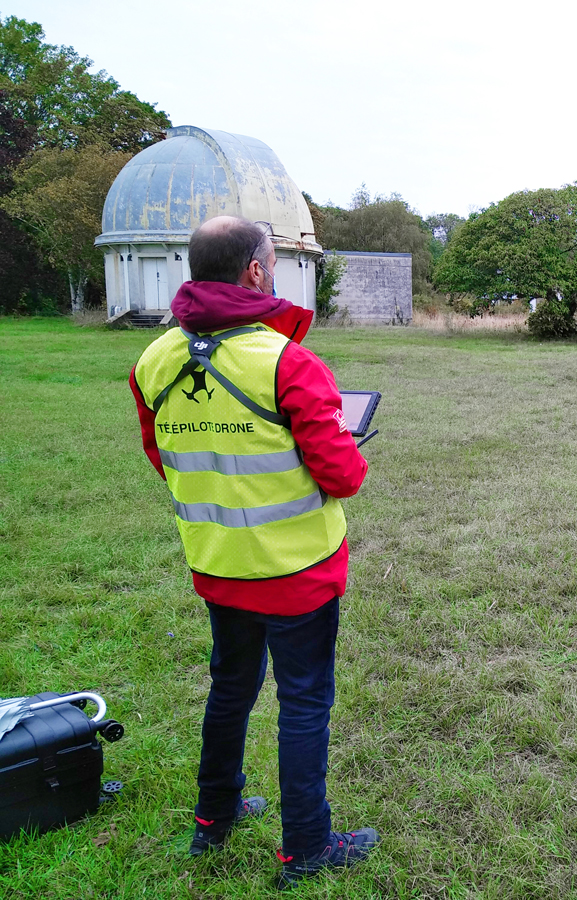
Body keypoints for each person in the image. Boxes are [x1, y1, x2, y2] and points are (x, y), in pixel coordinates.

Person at [130, 216, 378, 888]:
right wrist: (343, 445)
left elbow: (165, 455)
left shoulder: (153, 360)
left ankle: (214, 816)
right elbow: (343, 477)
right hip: (297, 572)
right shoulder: (287, 361)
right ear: (257, 272)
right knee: (303, 703)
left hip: (217, 565)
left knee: (230, 690)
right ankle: (307, 845)